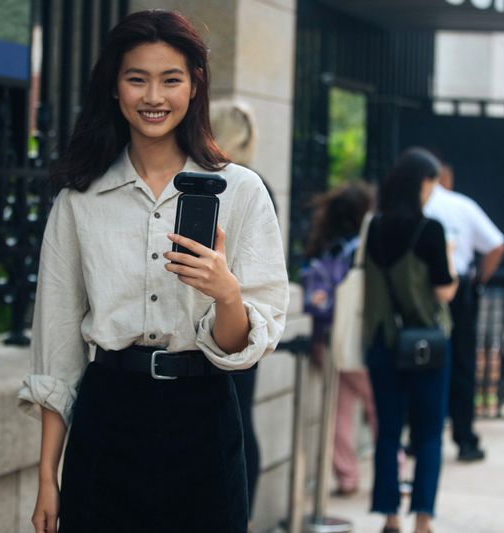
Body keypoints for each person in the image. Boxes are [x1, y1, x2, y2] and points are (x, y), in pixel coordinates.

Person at [17, 11, 289, 533]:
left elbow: (240, 348)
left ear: (194, 87)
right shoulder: (80, 201)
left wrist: (227, 294)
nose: (153, 97)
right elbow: (56, 346)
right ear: (114, 88)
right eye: (136, 78)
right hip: (109, 415)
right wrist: (47, 475)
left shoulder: (242, 191)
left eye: (171, 79)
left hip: (203, 417)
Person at [363, 147, 458, 533]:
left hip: (384, 342)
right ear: (421, 183)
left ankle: (389, 515)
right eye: (432, 184)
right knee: (429, 433)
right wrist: (449, 260)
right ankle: (422, 518)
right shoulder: (431, 229)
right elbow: (444, 291)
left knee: (387, 430)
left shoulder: (374, 226)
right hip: (427, 346)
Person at [209, 98, 271, 527]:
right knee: (239, 422)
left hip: (233, 322)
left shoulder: (246, 188)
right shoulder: (247, 183)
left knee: (234, 426)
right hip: (231, 322)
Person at [423, 162, 504, 462]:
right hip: (457, 290)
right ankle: (464, 436)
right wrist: (479, 278)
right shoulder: (461, 206)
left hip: (425, 293)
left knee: (421, 360)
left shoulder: (415, 206)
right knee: (461, 364)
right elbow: (497, 244)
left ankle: (420, 435)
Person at [302, 182, 377, 496]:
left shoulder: (323, 246)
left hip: (325, 339)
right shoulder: (362, 248)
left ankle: (347, 476)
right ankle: (394, 468)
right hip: (357, 339)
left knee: (338, 410)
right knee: (378, 405)